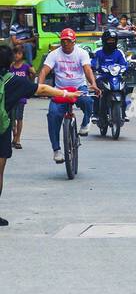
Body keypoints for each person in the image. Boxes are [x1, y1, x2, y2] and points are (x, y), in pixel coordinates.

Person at [0, 40, 82, 225]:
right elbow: (42, 88)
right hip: (2, 131)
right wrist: (67, 94)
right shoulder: (15, 81)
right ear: (9, 63)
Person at [38, 29, 99, 163]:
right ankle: (56, 150)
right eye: (63, 41)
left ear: (74, 41)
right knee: (53, 115)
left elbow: (87, 69)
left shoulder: (81, 53)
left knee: (88, 101)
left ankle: (86, 122)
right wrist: (39, 87)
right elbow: (44, 71)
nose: (65, 44)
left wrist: (93, 83)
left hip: (78, 88)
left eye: (68, 41)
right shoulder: (54, 54)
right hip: (60, 90)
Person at [91, 28, 132, 123]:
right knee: (97, 92)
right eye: (109, 40)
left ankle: (124, 112)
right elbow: (93, 62)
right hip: (102, 77)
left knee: (125, 90)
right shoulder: (98, 52)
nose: (111, 42)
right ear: (104, 41)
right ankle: (95, 113)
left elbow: (124, 63)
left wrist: (126, 67)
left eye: (113, 40)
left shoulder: (119, 52)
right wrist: (94, 66)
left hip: (117, 77)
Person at [9, 40, 32, 149]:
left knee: (19, 117)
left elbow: (32, 76)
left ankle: (18, 138)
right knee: (12, 118)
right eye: (15, 53)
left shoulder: (26, 67)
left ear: (22, 55)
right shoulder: (11, 67)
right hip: (11, 96)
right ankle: (14, 136)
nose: (16, 55)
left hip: (21, 96)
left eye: (19, 53)